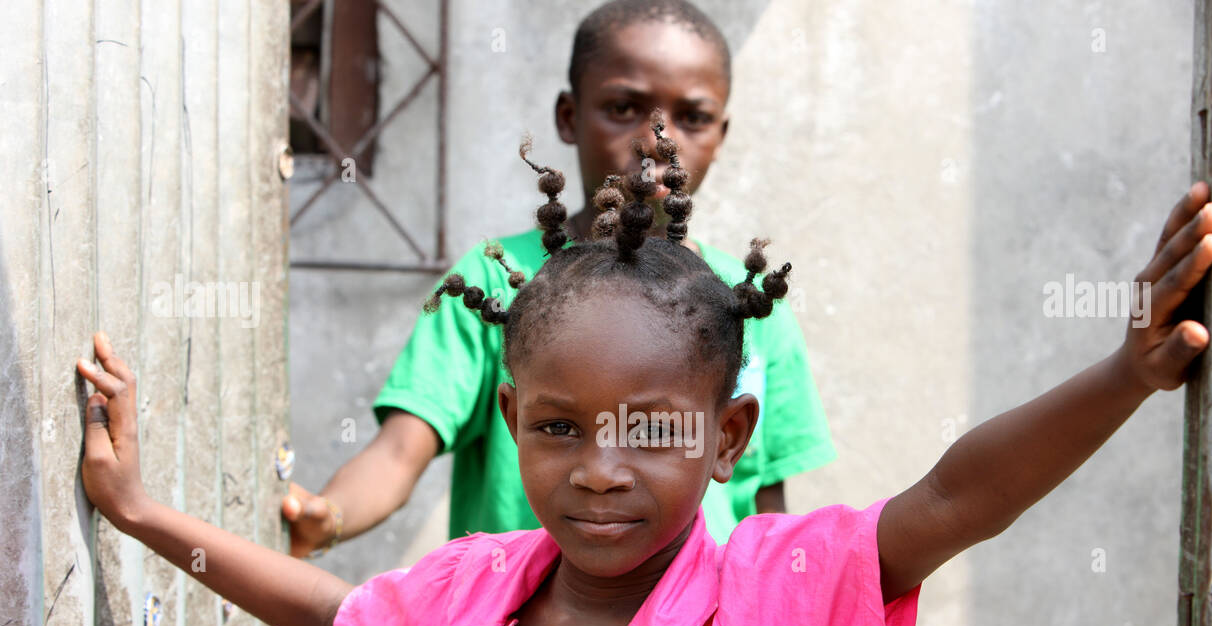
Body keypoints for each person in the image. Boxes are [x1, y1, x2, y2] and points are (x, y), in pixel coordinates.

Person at [76, 126, 1212, 626]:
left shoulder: (770, 597)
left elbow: (955, 496)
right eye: (558, 427)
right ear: (514, 420)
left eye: (652, 430)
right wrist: (137, 511)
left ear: (726, 437)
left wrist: (1124, 373)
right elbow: (334, 615)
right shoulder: (475, 594)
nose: (601, 468)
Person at [281, 0, 836, 553]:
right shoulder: (503, 282)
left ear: (721, 132)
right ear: (569, 117)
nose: (655, 142)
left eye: (692, 118)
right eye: (623, 107)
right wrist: (326, 517)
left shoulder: (749, 303)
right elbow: (400, 452)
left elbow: (766, 510)